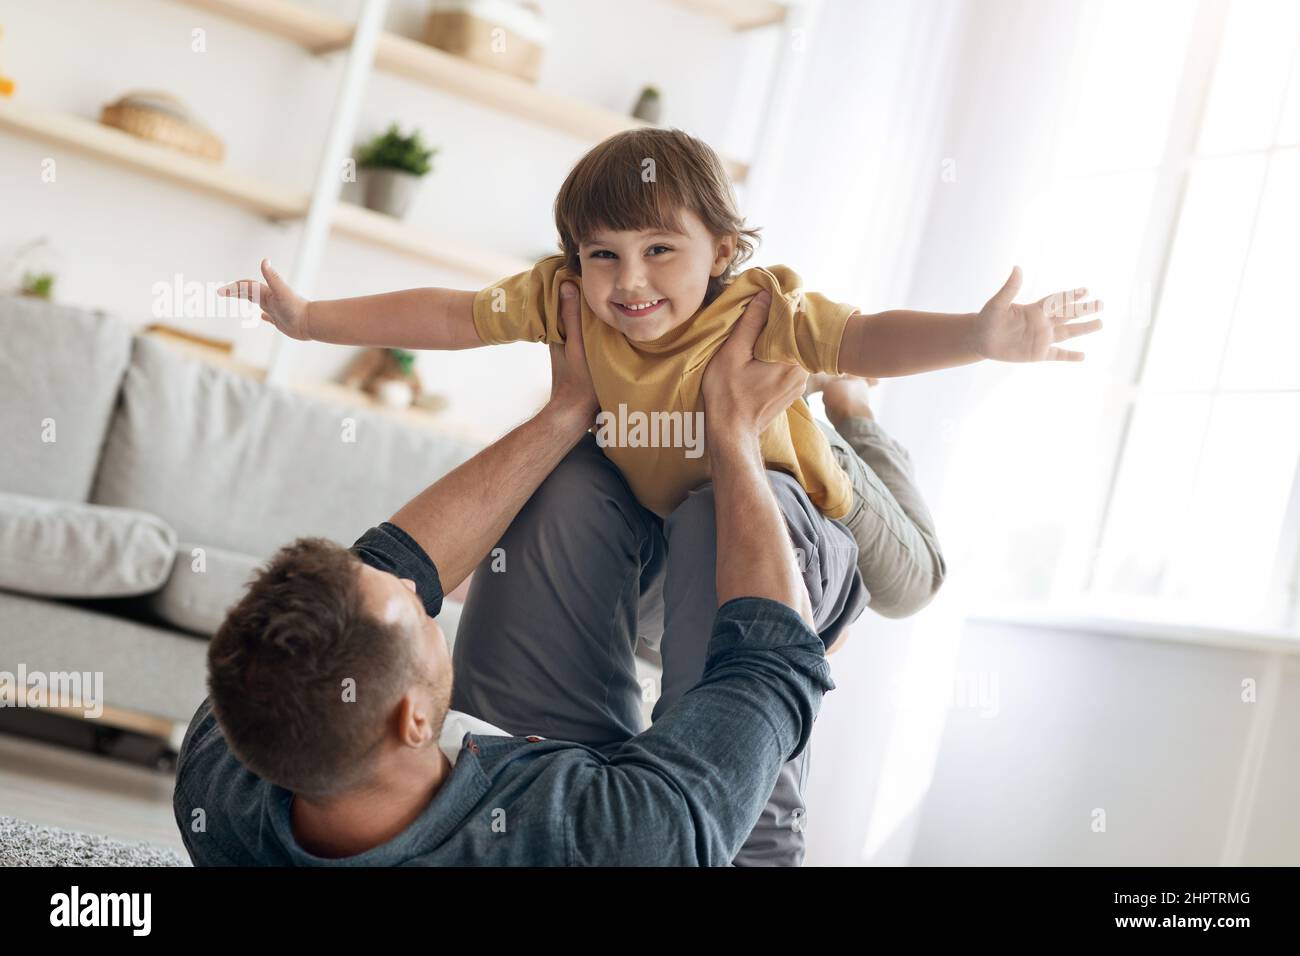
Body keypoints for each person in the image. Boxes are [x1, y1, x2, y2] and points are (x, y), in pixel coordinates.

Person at [174, 287, 858, 865]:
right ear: (412, 719)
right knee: (725, 517)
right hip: (717, 828)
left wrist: (567, 411)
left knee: (572, 478)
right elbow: (770, 665)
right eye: (412, 612)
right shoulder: (619, 838)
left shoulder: (223, 781)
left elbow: (389, 563)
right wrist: (733, 429)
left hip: (564, 772)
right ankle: (861, 430)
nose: (419, 588)